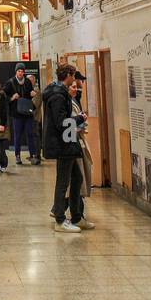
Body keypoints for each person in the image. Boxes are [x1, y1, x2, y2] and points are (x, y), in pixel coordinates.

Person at [42, 65, 85, 233]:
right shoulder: (58, 95)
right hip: (62, 143)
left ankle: (77, 216)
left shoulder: (59, 92)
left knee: (77, 178)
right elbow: (61, 122)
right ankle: (60, 219)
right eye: (73, 76)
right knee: (63, 181)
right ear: (68, 75)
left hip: (67, 142)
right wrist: (79, 118)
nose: (74, 80)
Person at [67, 75, 95, 229]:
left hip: (75, 144)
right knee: (77, 181)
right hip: (73, 145)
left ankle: (75, 215)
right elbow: (66, 127)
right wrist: (80, 122)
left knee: (76, 181)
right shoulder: (68, 103)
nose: (76, 89)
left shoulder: (72, 101)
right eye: (73, 86)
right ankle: (75, 216)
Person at [4, 64, 40, 164]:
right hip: (17, 113)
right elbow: (3, 96)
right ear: (16, 72)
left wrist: (32, 94)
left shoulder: (28, 82)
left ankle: (32, 155)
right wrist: (12, 98)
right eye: (19, 71)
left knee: (30, 134)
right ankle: (17, 155)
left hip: (28, 112)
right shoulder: (10, 82)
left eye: (22, 71)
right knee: (17, 135)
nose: (21, 73)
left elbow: (29, 94)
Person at [29, 73, 45, 161]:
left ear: (34, 81)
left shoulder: (36, 91)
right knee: (32, 136)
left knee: (36, 136)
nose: (29, 82)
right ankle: (33, 154)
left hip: (35, 117)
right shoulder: (30, 90)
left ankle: (37, 155)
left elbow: (35, 105)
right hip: (30, 117)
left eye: (31, 80)